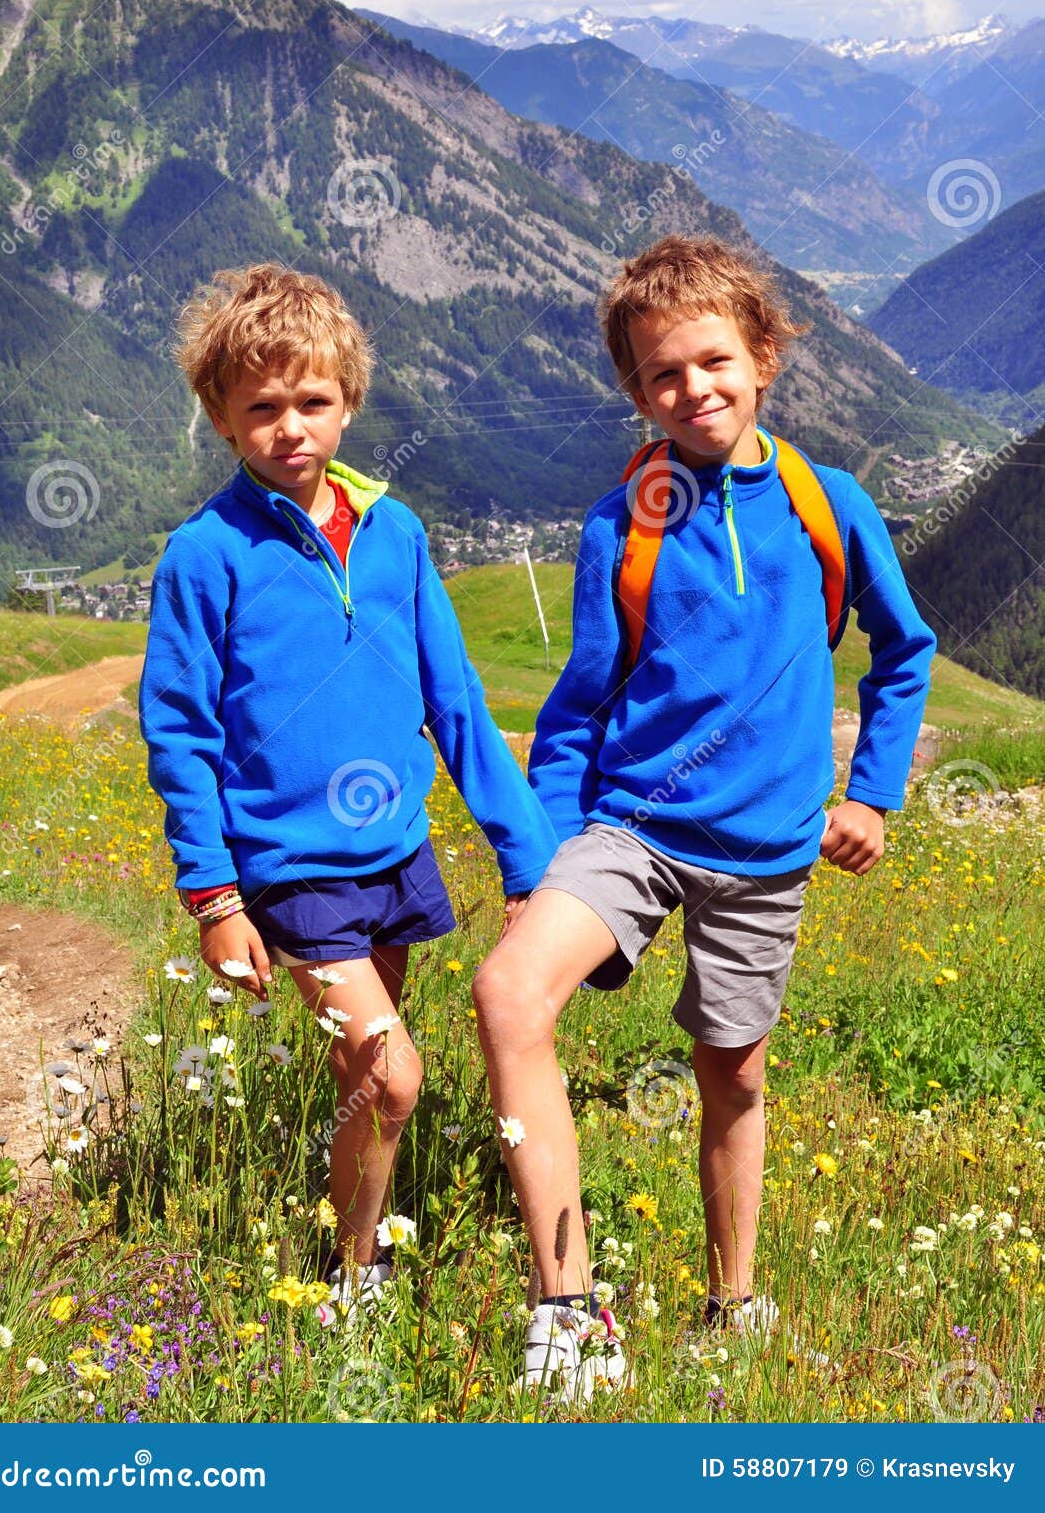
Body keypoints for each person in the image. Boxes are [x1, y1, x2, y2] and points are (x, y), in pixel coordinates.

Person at [472, 232, 936, 1400]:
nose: (695, 390)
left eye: (715, 361)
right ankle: (569, 1311)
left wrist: (873, 792)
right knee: (506, 992)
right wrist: (538, 857)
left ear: (765, 356)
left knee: (729, 1074)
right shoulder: (616, 524)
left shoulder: (827, 506)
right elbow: (579, 705)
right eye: (663, 375)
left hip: (766, 851)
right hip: (628, 828)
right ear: (635, 390)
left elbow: (904, 651)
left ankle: (734, 1303)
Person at [139, 261, 556, 1314]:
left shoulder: (397, 535)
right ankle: (354, 1278)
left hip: (394, 855)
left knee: (364, 1086)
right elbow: (180, 733)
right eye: (261, 407)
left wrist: (526, 855)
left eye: (312, 402)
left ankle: (352, 1256)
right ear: (222, 419)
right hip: (287, 868)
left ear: (349, 401)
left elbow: (457, 701)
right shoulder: (205, 556)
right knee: (396, 1074)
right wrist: (216, 898)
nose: (290, 427)